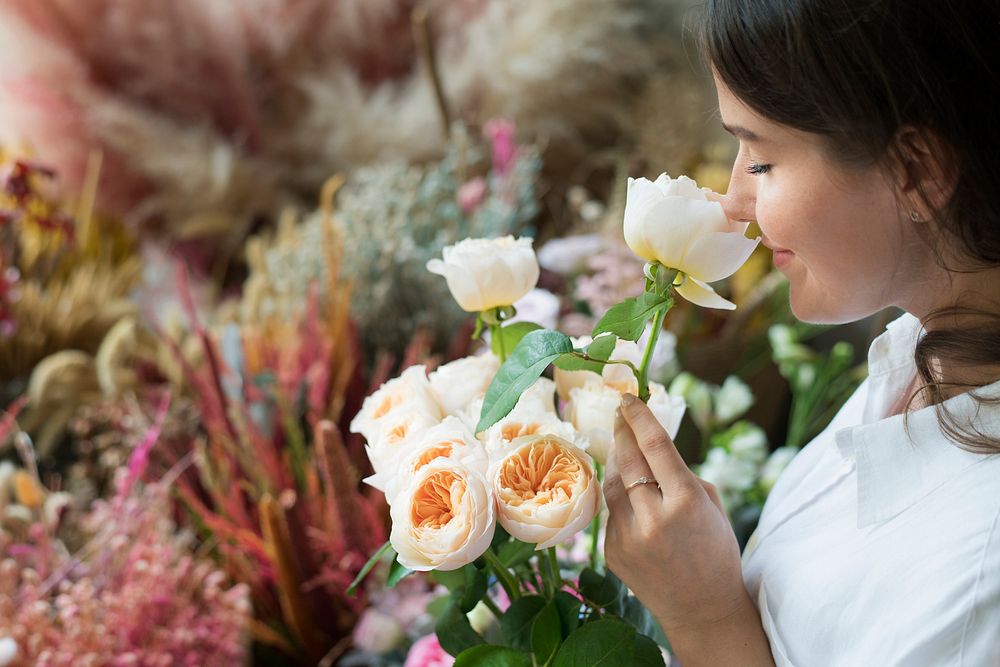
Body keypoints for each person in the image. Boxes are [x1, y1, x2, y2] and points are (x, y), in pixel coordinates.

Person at [603, 1, 1000, 665]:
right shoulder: (918, 351)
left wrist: (704, 617)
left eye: (760, 160)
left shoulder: (978, 579)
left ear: (918, 173)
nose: (733, 200)